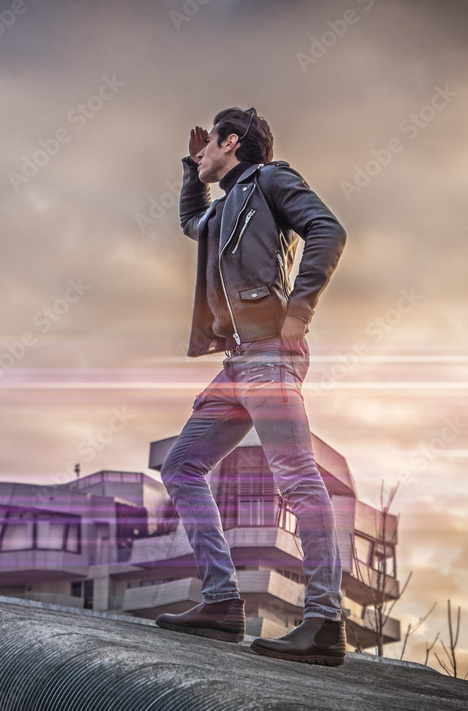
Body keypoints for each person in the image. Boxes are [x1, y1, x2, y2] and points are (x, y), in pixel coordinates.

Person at [154, 107, 349, 667]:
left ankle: (324, 623)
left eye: (208, 147)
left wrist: (300, 314)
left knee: (296, 478)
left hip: (270, 356)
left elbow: (327, 231)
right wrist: (193, 174)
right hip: (238, 364)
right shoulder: (220, 209)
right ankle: (221, 604)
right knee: (182, 466)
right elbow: (193, 224)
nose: (201, 153)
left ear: (231, 141)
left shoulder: (271, 180)